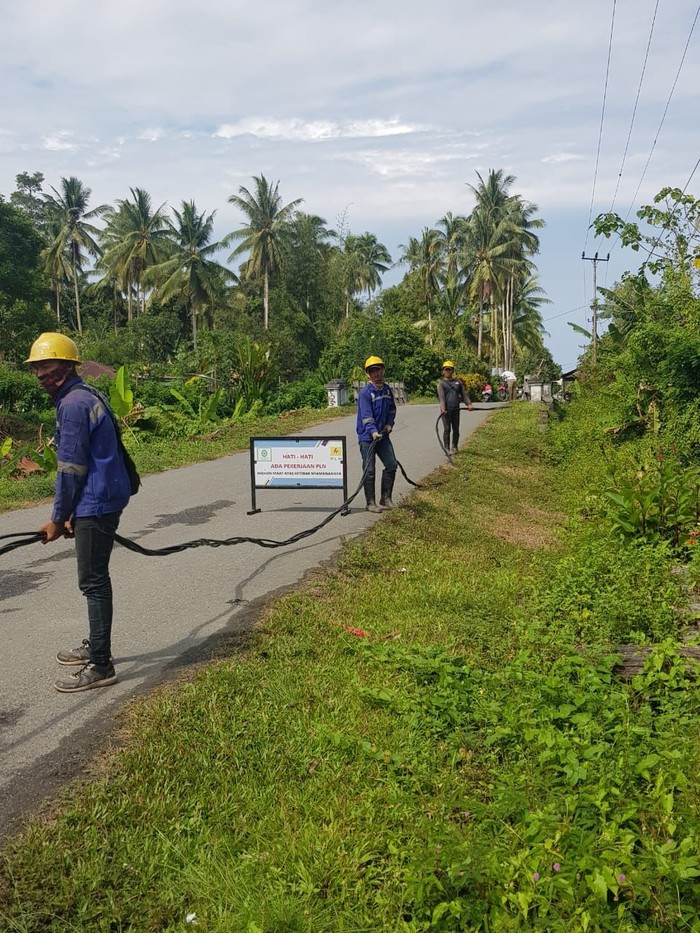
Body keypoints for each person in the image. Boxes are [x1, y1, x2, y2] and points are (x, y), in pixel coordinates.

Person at [26, 333, 132, 693]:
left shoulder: (72, 404)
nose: (42, 375)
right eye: (37, 368)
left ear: (68, 365)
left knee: (93, 580)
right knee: (95, 578)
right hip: (100, 497)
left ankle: (101, 665)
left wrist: (58, 518)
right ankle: (96, 643)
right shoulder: (85, 394)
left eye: (49, 366)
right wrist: (71, 513)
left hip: (96, 501)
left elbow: (70, 469)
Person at [356, 355, 397, 513]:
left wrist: (389, 424)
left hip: (383, 435)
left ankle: (385, 498)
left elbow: (392, 409)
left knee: (391, 464)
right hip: (368, 437)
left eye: (378, 369)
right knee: (369, 469)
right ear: (368, 374)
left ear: (383, 370)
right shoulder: (366, 393)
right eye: (372, 371)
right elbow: (366, 416)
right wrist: (373, 431)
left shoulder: (387, 390)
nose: (376, 373)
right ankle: (370, 503)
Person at [437, 361, 472, 454]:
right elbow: (442, 398)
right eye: (446, 369)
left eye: (450, 369)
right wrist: (443, 408)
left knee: (456, 429)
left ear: (453, 371)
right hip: (446, 411)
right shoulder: (441, 384)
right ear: (443, 371)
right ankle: (447, 448)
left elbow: (463, 395)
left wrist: (469, 404)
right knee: (447, 429)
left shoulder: (458, 382)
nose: (448, 371)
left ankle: (455, 446)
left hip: (456, 409)